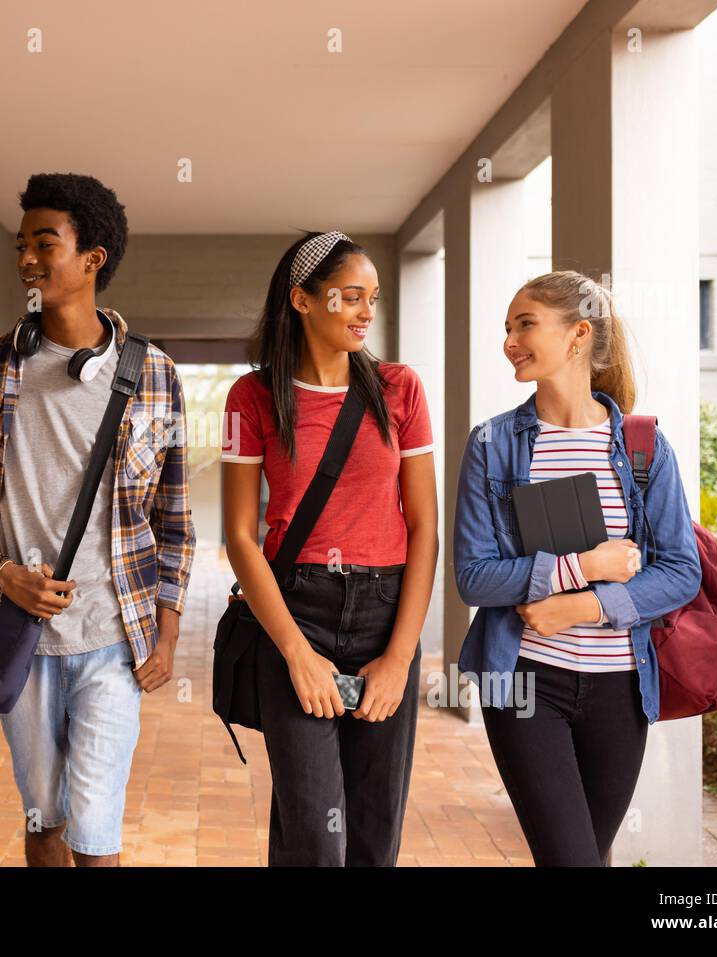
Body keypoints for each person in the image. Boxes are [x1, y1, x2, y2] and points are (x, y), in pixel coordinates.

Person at [0, 172, 195, 866]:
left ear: (92, 258)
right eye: (21, 246)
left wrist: (166, 634)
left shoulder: (156, 374)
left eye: (45, 244)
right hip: (21, 639)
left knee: (95, 829)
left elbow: (173, 515)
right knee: (43, 819)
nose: (26, 260)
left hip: (114, 638)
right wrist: (2, 571)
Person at [453, 270, 702, 866]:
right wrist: (583, 566)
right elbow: (474, 576)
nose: (509, 340)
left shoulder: (643, 448)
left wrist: (585, 605)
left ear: (578, 335)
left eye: (525, 324)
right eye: (507, 328)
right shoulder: (493, 445)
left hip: (622, 689)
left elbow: (680, 571)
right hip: (521, 681)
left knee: (590, 856)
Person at [220, 230, 438, 866]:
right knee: (315, 836)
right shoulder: (251, 398)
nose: (367, 311)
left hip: (384, 611)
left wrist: (399, 657)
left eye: (373, 298)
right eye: (350, 296)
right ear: (303, 300)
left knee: (373, 839)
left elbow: (423, 524)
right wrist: (296, 652)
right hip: (296, 613)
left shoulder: (400, 389)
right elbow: (239, 534)